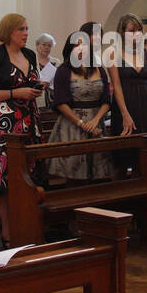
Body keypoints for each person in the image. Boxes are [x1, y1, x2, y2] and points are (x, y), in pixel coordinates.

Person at [0, 14, 43, 246]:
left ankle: (26, 226)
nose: (25, 33)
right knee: (5, 180)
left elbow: (27, 82)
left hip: (27, 120)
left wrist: (35, 89)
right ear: (9, 31)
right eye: (20, 29)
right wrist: (16, 93)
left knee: (26, 177)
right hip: (2, 126)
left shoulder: (29, 55)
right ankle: (8, 232)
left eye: (27, 28)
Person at [47, 25, 113, 183]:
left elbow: (106, 100)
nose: (80, 48)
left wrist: (96, 120)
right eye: (76, 45)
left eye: (83, 44)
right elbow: (61, 102)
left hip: (96, 123)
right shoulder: (63, 70)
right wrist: (81, 123)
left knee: (99, 173)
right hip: (72, 124)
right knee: (74, 172)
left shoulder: (99, 69)